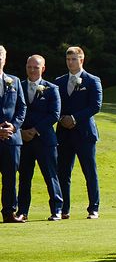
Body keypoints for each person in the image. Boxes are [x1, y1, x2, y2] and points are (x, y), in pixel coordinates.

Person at [54, 46, 104, 219]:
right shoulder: (59, 81)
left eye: (74, 59)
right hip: (63, 133)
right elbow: (54, 105)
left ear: (81, 60)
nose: (70, 62)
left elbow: (95, 105)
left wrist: (74, 118)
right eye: (68, 59)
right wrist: (62, 118)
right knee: (63, 172)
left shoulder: (92, 80)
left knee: (89, 171)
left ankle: (93, 208)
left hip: (84, 134)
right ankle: (63, 209)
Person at [17, 54, 63, 221]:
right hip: (23, 140)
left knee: (50, 175)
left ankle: (57, 209)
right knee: (24, 177)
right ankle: (22, 211)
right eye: (29, 67)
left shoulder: (52, 89)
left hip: (45, 140)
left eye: (36, 67)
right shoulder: (18, 86)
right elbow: (14, 111)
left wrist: (35, 130)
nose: (32, 70)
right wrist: (21, 131)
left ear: (43, 69)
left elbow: (55, 115)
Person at [0, 46, 23, 223]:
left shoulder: (13, 81)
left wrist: (13, 127)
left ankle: (9, 212)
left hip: (11, 138)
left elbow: (22, 108)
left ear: (5, 59)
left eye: (1, 56)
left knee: (10, 177)